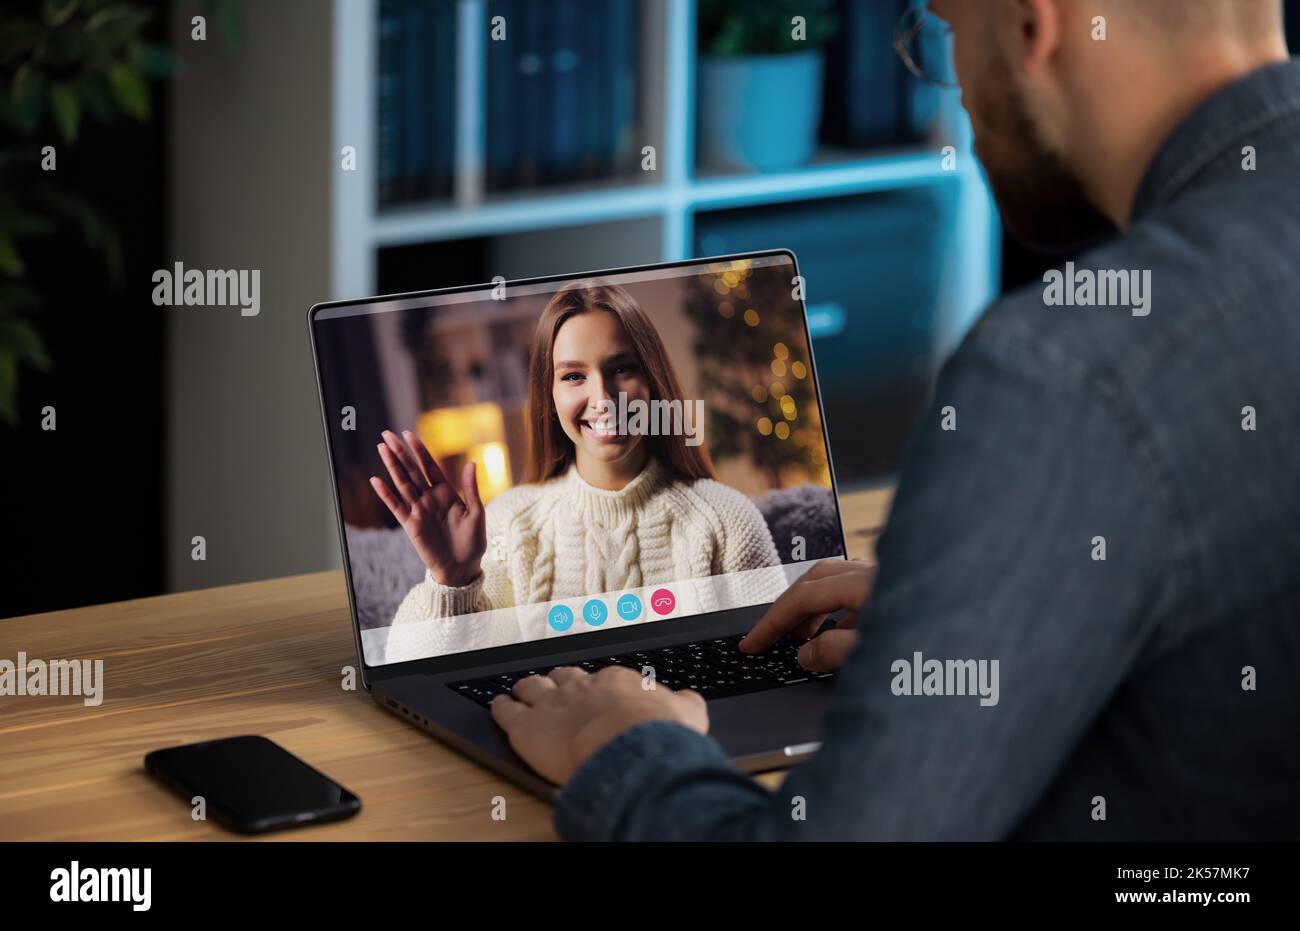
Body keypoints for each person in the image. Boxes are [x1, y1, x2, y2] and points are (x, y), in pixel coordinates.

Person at [488, 0, 1300, 840]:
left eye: (943, 35)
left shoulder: (1059, 375)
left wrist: (620, 745)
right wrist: (998, 603)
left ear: (1033, 25)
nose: (956, 97)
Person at [372, 281, 781, 658]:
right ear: (549, 398)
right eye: (573, 376)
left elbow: (775, 662)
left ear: (653, 380)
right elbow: (405, 662)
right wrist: (451, 580)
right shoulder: (509, 524)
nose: (602, 397)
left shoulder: (727, 519)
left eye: (622, 368)